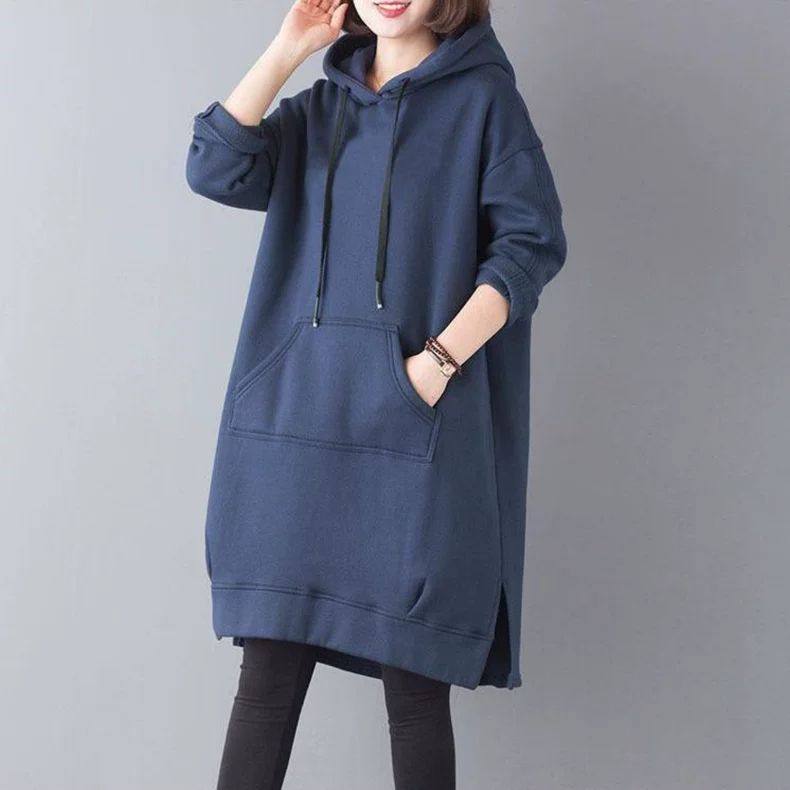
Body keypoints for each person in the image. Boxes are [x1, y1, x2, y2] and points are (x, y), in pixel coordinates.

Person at [186, 1, 567, 787]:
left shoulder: (484, 102)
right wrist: (288, 48)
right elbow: (215, 167)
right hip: (294, 431)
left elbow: (530, 245)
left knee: (415, 687)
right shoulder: (317, 109)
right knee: (266, 678)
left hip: (410, 433)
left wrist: (436, 363)